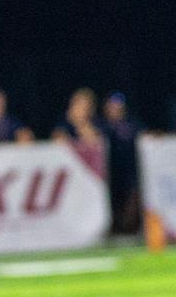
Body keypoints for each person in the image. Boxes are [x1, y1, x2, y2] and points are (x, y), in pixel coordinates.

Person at [100, 91, 143, 234]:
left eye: (119, 106)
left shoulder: (131, 123)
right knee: (111, 202)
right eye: (113, 105)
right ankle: (114, 229)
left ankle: (130, 228)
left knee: (132, 199)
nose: (116, 109)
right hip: (108, 169)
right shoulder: (101, 124)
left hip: (130, 168)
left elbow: (144, 136)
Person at [52, 87, 105, 151]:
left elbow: (95, 145)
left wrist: (79, 124)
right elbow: (58, 144)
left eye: (85, 106)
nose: (79, 109)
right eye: (77, 104)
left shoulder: (98, 123)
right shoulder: (64, 123)